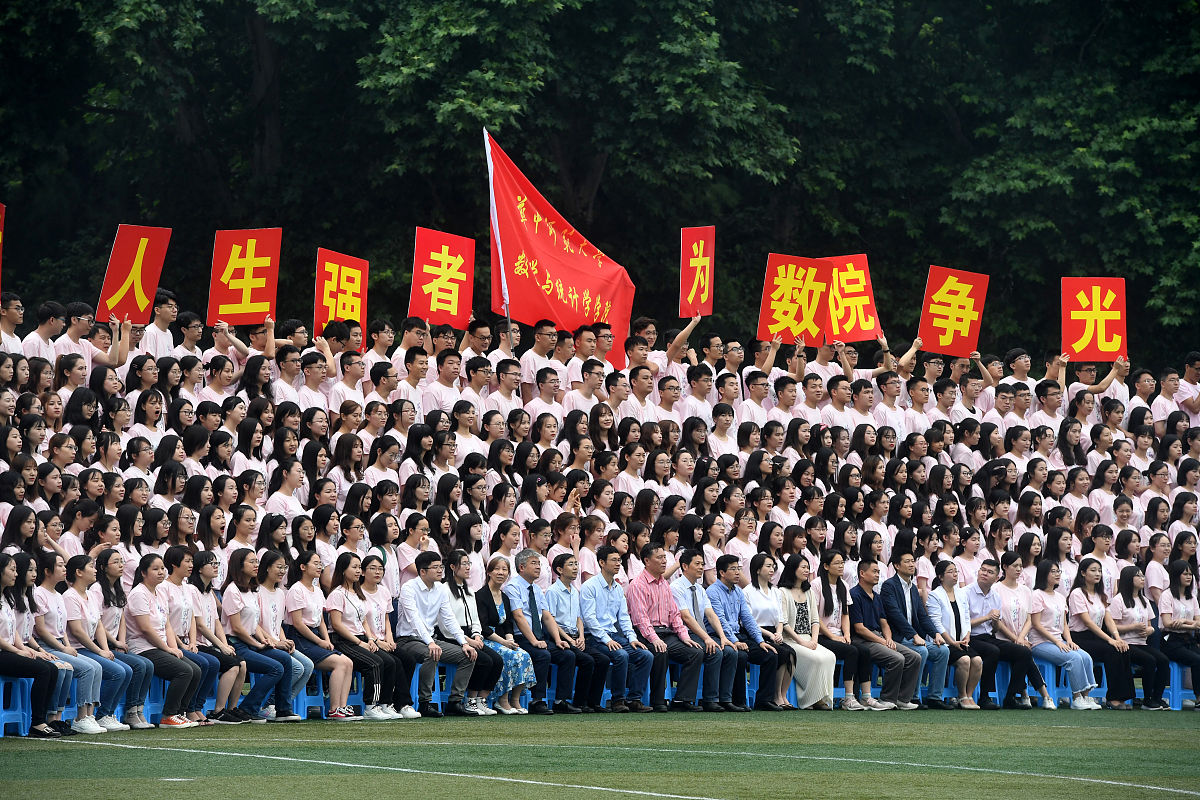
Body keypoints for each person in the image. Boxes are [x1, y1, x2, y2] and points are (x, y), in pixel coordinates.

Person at [396, 550, 479, 716]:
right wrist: (430, 643)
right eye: (435, 567)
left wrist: (464, 642)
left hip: (430, 639)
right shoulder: (408, 588)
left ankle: (455, 701)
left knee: (468, 654)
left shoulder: (440, 588)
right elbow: (414, 620)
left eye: (441, 566)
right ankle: (425, 702)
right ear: (422, 571)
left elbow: (449, 619)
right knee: (431, 653)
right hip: (408, 640)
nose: (441, 570)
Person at [626, 541, 704, 711]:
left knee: (695, 652)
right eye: (659, 558)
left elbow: (675, 615)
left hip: (667, 633)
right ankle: (658, 700)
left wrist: (685, 637)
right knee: (660, 651)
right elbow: (640, 620)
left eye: (664, 557)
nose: (664, 561)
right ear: (647, 561)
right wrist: (654, 639)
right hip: (644, 634)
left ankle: (682, 699)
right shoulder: (637, 585)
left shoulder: (664, 584)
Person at [581, 544, 654, 712]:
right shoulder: (590, 586)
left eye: (619, 560)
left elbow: (624, 618)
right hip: (594, 637)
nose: (618, 564)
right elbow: (590, 619)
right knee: (620, 655)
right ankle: (617, 700)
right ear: (601, 562)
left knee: (646, 655)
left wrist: (632, 638)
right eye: (613, 560)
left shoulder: (618, 588)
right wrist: (607, 640)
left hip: (614, 635)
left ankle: (634, 699)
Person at [964, 558, 1043, 710]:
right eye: (983, 570)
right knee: (992, 651)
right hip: (970, 637)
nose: (985, 574)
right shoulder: (966, 592)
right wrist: (987, 617)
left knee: (1023, 652)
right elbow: (963, 624)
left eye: (990, 572)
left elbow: (994, 629)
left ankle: (1011, 696)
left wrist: (994, 622)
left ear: (996, 576)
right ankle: (985, 697)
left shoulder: (995, 596)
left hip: (988, 637)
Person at [706, 553, 781, 711]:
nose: (738, 572)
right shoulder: (713, 592)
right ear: (722, 572)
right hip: (720, 636)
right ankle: (736, 700)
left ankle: (764, 700)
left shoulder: (738, 591)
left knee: (770, 655)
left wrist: (760, 641)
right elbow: (720, 620)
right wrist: (735, 642)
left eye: (739, 569)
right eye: (733, 569)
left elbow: (748, 619)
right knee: (740, 655)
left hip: (739, 635)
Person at [880, 550, 951, 708]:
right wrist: (913, 635)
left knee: (943, 651)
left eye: (913, 561)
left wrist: (936, 634)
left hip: (913, 637)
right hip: (898, 637)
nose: (912, 564)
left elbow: (922, 615)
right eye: (907, 561)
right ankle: (911, 697)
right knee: (922, 651)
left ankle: (934, 697)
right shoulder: (889, 586)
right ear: (897, 566)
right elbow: (895, 615)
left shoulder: (912, 588)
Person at [848, 559, 923, 710]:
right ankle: (887, 698)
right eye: (874, 571)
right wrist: (882, 641)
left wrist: (888, 638)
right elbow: (859, 628)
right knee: (897, 658)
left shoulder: (877, 597)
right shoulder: (854, 595)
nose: (877, 575)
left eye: (878, 572)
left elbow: (884, 623)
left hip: (879, 638)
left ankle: (902, 698)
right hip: (862, 640)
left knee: (914, 657)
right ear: (862, 573)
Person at [670, 547, 739, 711]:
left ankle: (725, 699)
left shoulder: (700, 589)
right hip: (684, 633)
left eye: (703, 564)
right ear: (685, 566)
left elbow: (711, 614)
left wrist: (722, 636)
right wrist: (707, 638)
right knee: (714, 651)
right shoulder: (676, 587)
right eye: (698, 564)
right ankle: (709, 699)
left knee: (730, 650)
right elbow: (686, 617)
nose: (702, 567)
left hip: (700, 633)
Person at [544, 552, 606, 712]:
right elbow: (551, 621)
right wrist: (570, 640)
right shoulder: (553, 591)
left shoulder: (574, 591)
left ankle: (593, 701)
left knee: (603, 659)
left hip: (576, 637)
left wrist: (581, 637)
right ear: (559, 569)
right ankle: (571, 701)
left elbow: (579, 618)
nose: (575, 568)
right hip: (559, 637)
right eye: (570, 564)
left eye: (576, 564)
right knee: (585, 660)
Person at [776, 554, 836, 710]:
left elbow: (815, 620)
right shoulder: (782, 591)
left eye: (808, 567)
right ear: (793, 568)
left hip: (809, 638)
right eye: (803, 567)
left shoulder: (808, 591)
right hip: (791, 639)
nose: (807, 570)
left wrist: (814, 639)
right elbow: (784, 622)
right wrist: (801, 642)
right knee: (817, 660)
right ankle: (810, 699)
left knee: (830, 656)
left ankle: (822, 697)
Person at [925, 560, 984, 708]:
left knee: (977, 661)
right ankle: (961, 696)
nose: (955, 574)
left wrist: (968, 635)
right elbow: (936, 623)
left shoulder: (961, 594)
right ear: (941, 576)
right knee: (964, 660)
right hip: (944, 643)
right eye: (950, 572)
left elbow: (966, 617)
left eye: (956, 571)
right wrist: (951, 641)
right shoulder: (935, 595)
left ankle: (969, 695)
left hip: (961, 641)